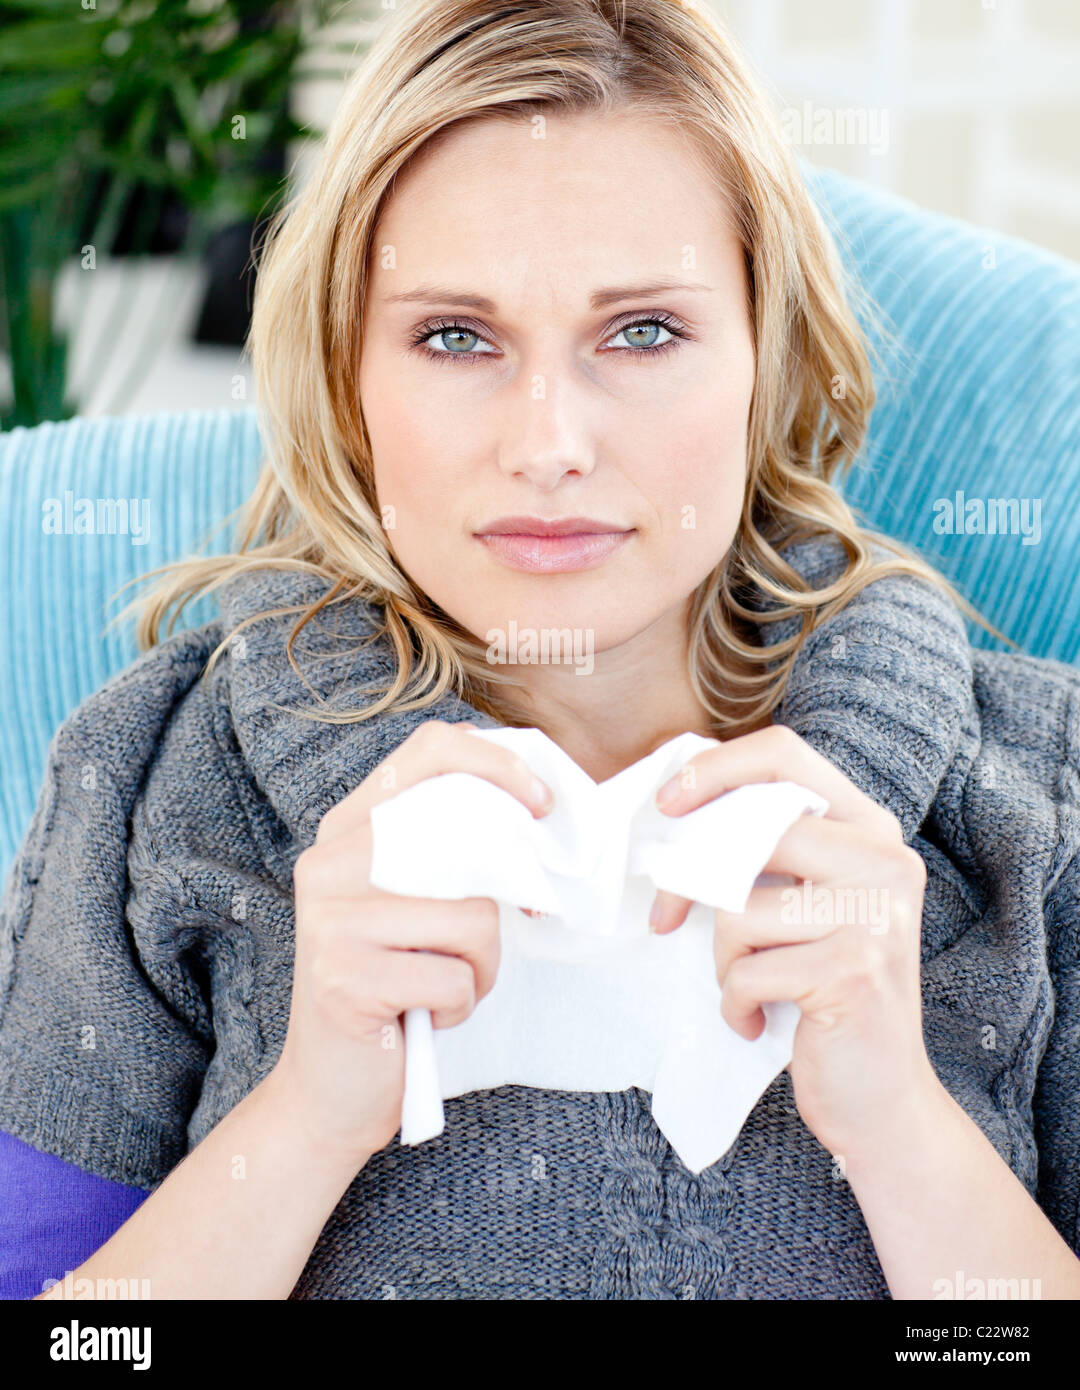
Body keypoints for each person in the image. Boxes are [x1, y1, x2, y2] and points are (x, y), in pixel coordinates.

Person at [2, 0, 1078, 1301]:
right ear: (348, 377)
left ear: (769, 355)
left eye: (643, 332)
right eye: (456, 336)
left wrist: (906, 1131)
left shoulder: (1040, 796)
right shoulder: (144, 787)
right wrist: (299, 1122)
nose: (549, 443)